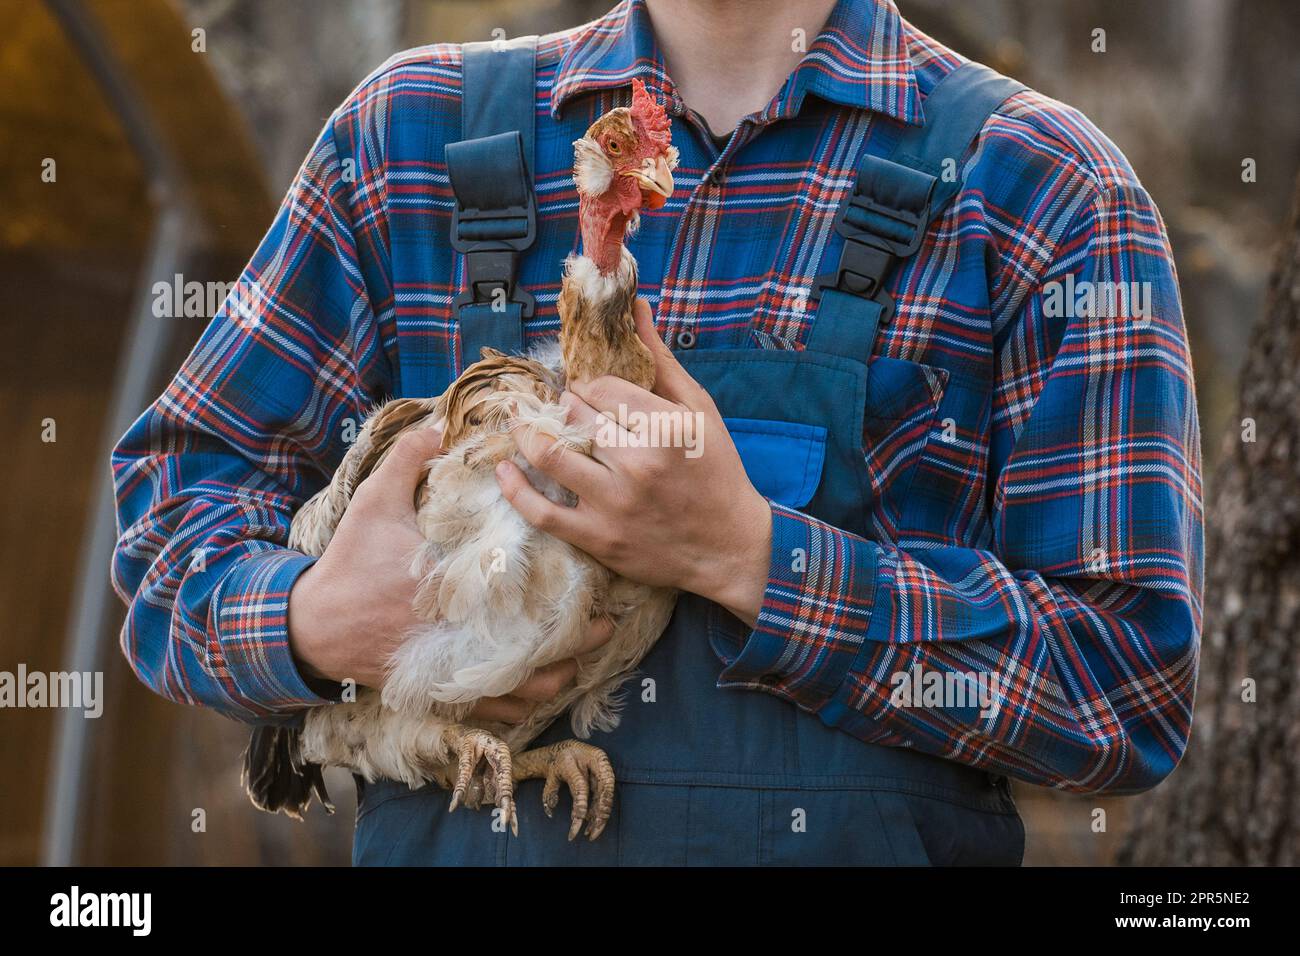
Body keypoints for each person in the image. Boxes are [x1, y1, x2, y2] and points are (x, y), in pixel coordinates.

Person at [112, 0, 1203, 865]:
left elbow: (1123, 686)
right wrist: (319, 617)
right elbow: (174, 507)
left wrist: (754, 559)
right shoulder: (410, 138)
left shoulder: (1043, 189)